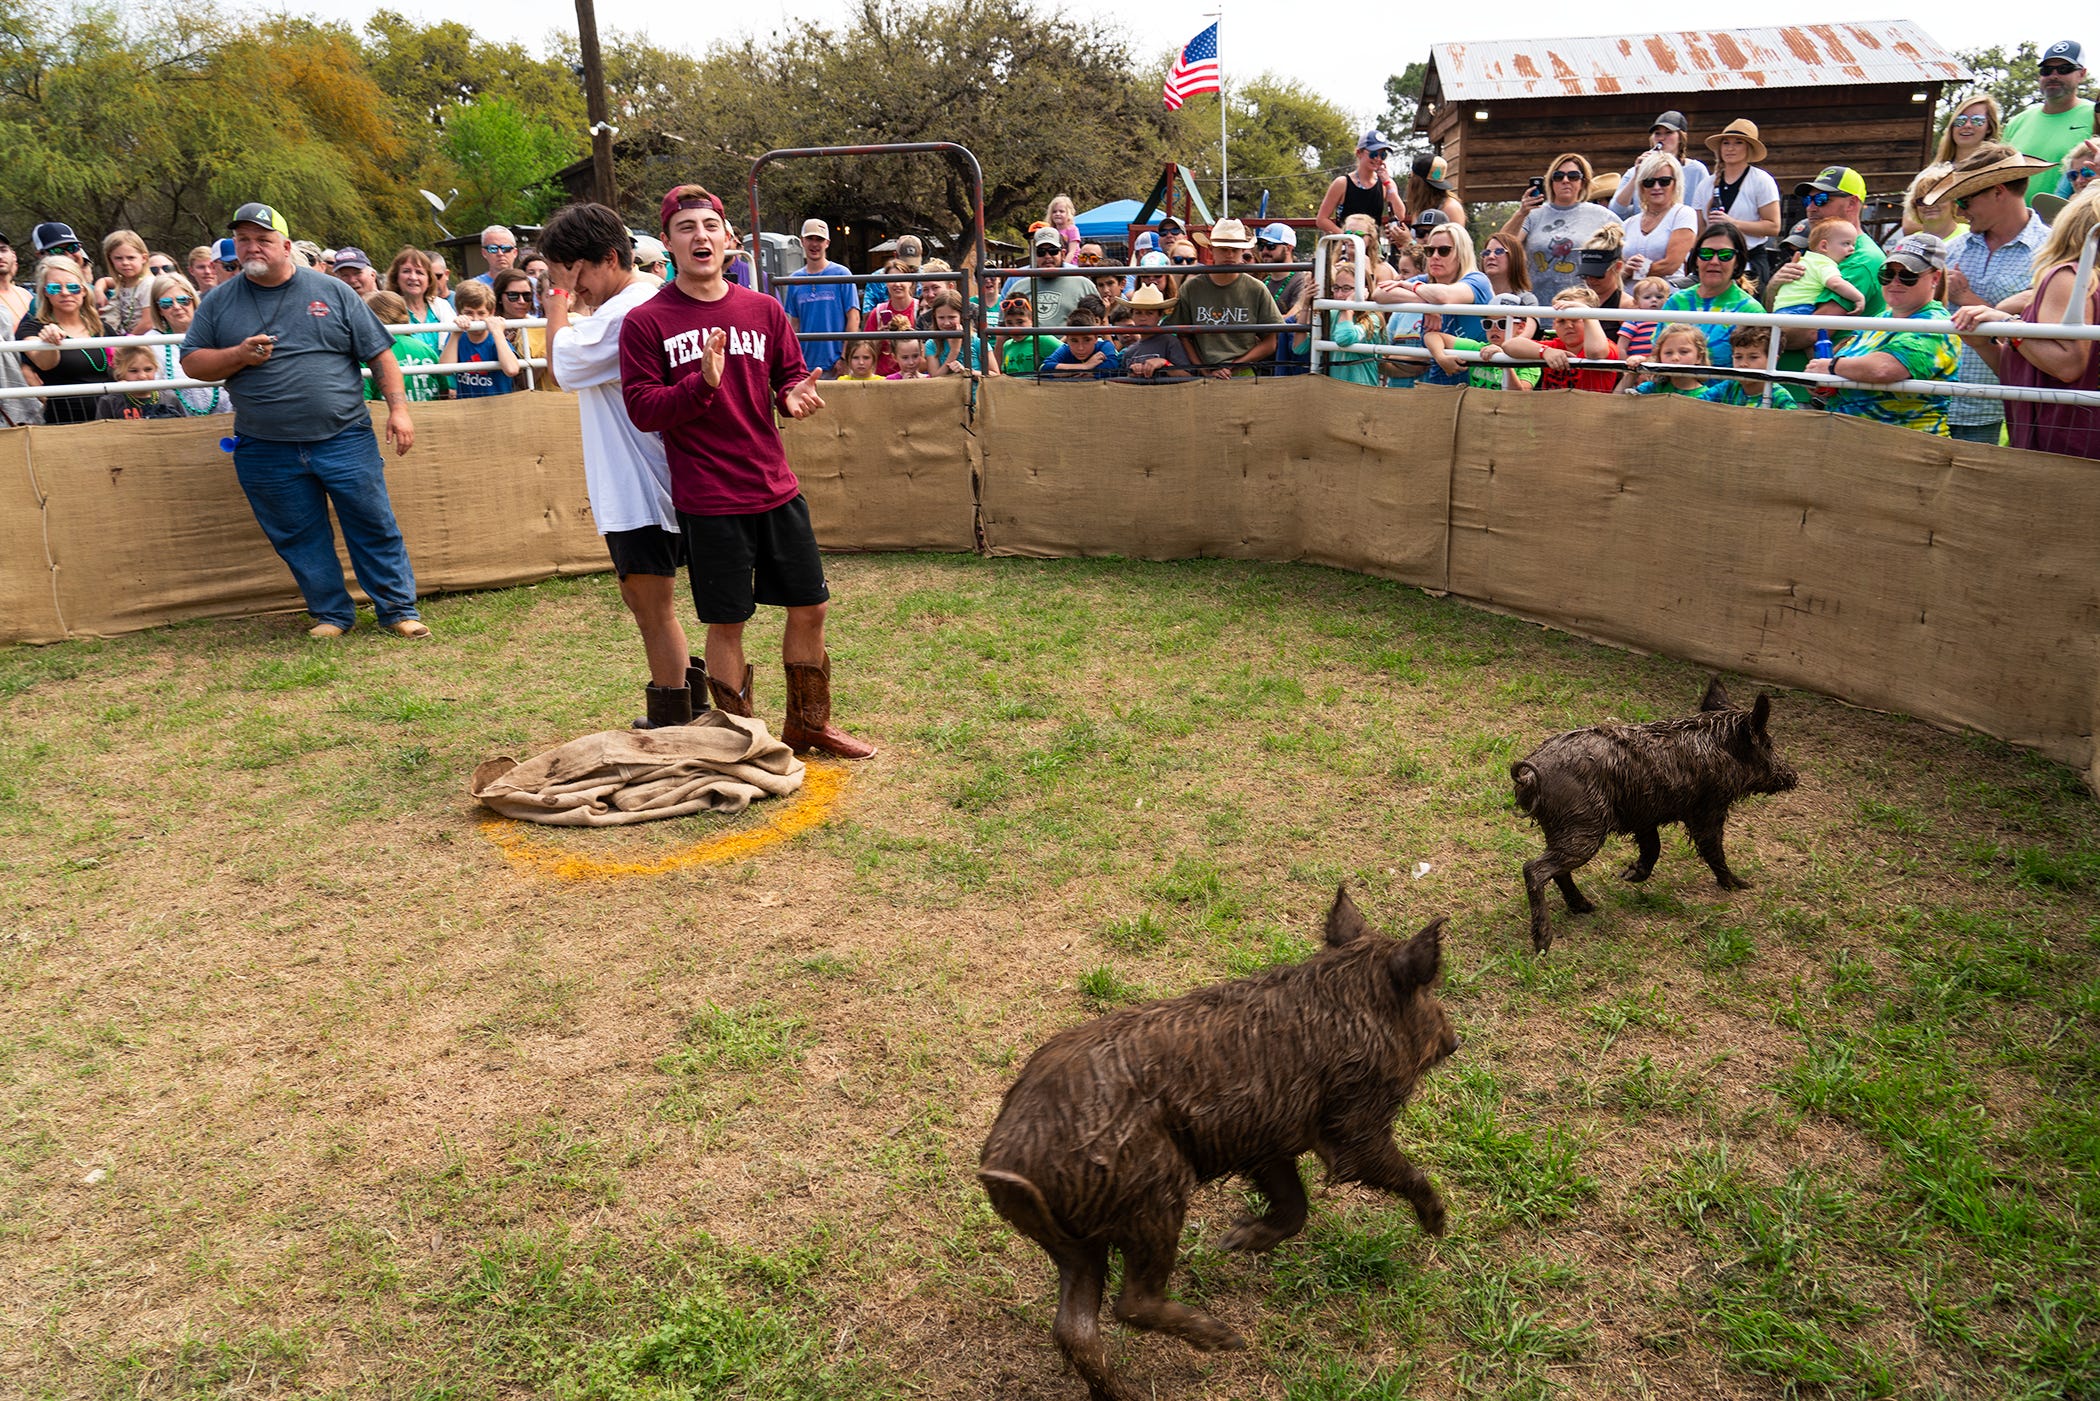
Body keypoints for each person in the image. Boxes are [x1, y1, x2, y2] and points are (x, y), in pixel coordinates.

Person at [617, 182, 873, 759]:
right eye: (686, 228)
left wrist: (792, 394)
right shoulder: (647, 321)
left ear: (728, 237)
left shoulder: (763, 309)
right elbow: (643, 408)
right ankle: (741, 742)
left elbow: (788, 374)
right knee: (728, 622)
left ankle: (808, 725)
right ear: (667, 243)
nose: (700, 237)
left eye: (710, 226)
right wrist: (701, 384)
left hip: (774, 484)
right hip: (709, 497)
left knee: (811, 605)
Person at [179, 201, 425, 639]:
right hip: (264, 445)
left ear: (286, 246)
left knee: (372, 523)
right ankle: (332, 615)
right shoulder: (218, 302)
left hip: (344, 436)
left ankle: (397, 610)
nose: (252, 247)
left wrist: (399, 410)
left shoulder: (333, 291)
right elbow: (193, 364)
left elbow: (380, 353)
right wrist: (238, 355)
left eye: (263, 239)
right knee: (297, 535)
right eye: (243, 240)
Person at [540, 200, 701, 728]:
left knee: (649, 600)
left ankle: (674, 715)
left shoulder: (629, 313)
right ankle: (688, 701)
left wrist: (556, 302)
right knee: (647, 599)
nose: (571, 287)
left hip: (642, 483)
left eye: (573, 273)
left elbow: (561, 366)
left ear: (610, 258)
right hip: (644, 476)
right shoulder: (641, 302)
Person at [1952, 185, 2100, 457]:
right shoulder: (2083, 277)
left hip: (2065, 441)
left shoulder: (2069, 276)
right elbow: (2030, 370)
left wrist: (2008, 325)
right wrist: (1984, 344)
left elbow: (2067, 367)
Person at [1923, 148, 2055, 443]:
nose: (1959, 212)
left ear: (1998, 191)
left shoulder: (2052, 254)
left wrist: (1968, 298)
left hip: (2003, 409)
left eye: (1964, 201)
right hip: (1934, 403)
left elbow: (2052, 343)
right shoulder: (1953, 249)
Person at [1805, 232, 1959, 436]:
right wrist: (1820, 378)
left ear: (1935, 278)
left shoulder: (1936, 324)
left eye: (1908, 276)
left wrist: (1831, 367)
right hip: (1852, 439)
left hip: (1907, 444)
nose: (1895, 282)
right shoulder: (1881, 318)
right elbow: (1847, 364)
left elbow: (1884, 369)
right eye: (1888, 274)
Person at [1372, 219, 1492, 387]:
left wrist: (1416, 290)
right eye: (1430, 250)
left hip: (1478, 383)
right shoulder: (1426, 281)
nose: (1435, 256)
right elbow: (1379, 293)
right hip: (1437, 384)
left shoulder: (1478, 280)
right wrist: (1427, 302)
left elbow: (1443, 296)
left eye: (1444, 250)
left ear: (1461, 253)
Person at [1498, 152, 1618, 302]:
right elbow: (1503, 245)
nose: (1565, 181)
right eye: (1558, 176)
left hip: (1582, 305)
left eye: (1573, 176)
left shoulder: (1602, 216)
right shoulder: (1533, 214)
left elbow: (1625, 252)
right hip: (1536, 305)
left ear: (1583, 182)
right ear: (1551, 182)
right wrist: (1521, 213)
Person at [1172, 218, 1281, 377]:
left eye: (1235, 250)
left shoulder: (1256, 289)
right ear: (1211, 250)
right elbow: (1183, 335)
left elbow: (1270, 343)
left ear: (1242, 251)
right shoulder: (1191, 288)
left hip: (1241, 372)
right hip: (1206, 373)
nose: (1229, 254)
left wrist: (1233, 366)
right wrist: (1204, 370)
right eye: (1223, 249)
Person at [19, 254, 108, 425]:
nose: (65, 293)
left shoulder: (102, 327)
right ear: (45, 292)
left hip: (112, 420)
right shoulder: (32, 328)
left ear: (83, 290)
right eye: (55, 288)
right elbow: (44, 364)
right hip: (65, 423)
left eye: (73, 287)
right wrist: (49, 342)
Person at [2003, 41, 2095, 205]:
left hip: (2073, 217)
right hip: (2014, 219)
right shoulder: (2017, 122)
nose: (2054, 75)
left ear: (2082, 74)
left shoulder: (2095, 116)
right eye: (2046, 70)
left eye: (2064, 69)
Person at [1689, 119, 1782, 281]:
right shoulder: (1705, 185)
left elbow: (1773, 227)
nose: (1730, 148)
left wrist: (1733, 223)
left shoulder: (1761, 180)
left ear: (1749, 148)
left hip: (1749, 261)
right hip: (1711, 262)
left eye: (1738, 143)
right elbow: (1700, 230)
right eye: (1726, 143)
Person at [1662, 223, 1761, 368]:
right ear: (1696, 259)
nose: (1714, 261)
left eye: (1725, 255)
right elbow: (1656, 355)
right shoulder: (1676, 302)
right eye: (1706, 253)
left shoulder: (1750, 311)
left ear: (1737, 262)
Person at [141, 272, 229, 417]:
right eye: (166, 303)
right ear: (159, 310)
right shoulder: (150, 341)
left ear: (193, 301)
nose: (176, 307)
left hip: (228, 417)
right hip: (177, 422)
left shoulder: (218, 331)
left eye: (183, 300)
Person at [779, 218, 859, 376]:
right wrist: (793, 359)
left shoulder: (842, 274)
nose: (814, 244)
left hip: (836, 365)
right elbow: (795, 324)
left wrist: (845, 357)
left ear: (827, 243)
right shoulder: (795, 280)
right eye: (810, 238)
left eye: (819, 239)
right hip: (805, 366)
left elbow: (854, 318)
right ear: (802, 241)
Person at [1504, 286, 1622, 392]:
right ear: (1554, 325)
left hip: (1591, 409)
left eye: (1575, 318)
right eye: (1561, 321)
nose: (1568, 325)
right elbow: (1509, 345)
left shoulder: (1606, 346)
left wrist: (1587, 313)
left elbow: (1595, 352)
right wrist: (1545, 352)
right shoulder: (1553, 347)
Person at [1425, 293, 1542, 391]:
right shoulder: (1478, 348)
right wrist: (1440, 358)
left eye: (1502, 323)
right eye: (1488, 324)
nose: (1494, 329)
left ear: (1521, 327)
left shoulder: (1529, 359)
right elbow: (1432, 336)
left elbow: (1519, 395)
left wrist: (1504, 363)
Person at [1608, 110, 1710, 221]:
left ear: (1680, 138)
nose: (1661, 138)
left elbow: (1706, 208)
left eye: (1668, 133)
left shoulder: (1697, 170)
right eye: (1657, 133)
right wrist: (1637, 176)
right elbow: (1615, 211)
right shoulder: (1634, 172)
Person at [1317, 130, 1407, 244]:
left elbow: (1400, 215)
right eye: (1373, 154)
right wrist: (1348, 238)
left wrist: (1388, 184)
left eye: (1383, 155)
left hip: (1373, 247)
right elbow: (1322, 219)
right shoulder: (1342, 183)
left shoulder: (1386, 184)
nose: (1378, 159)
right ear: (1359, 153)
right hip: (1346, 246)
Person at [1617, 151, 1697, 278]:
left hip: (1666, 289)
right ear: (1641, 186)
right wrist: (1625, 270)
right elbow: (1617, 268)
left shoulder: (1683, 214)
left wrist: (1635, 270)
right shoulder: (1629, 223)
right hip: (1629, 290)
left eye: (1664, 181)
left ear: (1675, 183)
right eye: (1649, 182)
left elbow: (1671, 265)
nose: (1656, 187)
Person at [1769, 219, 1870, 318]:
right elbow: (1836, 284)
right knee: (1819, 328)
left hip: (1780, 309)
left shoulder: (1807, 260)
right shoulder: (1824, 263)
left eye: (1853, 245)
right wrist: (1858, 298)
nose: (1852, 249)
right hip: (1800, 309)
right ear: (1824, 246)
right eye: (1846, 244)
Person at [439, 281, 520, 397]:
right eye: (469, 313)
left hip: (499, 405)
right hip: (467, 406)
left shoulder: (496, 339)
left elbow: (512, 369)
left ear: (491, 313)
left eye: (481, 313)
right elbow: (445, 370)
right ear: (459, 312)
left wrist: (498, 333)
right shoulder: (457, 336)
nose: (476, 319)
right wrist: (456, 333)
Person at [1001, 227, 1095, 328]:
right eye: (1041, 252)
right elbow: (1003, 326)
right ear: (1033, 256)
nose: (1047, 256)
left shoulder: (1083, 284)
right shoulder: (1018, 286)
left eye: (1053, 251)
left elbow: (1099, 322)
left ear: (1063, 254)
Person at [361, 290, 439, 404]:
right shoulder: (425, 349)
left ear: (369, 319)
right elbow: (444, 391)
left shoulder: (367, 354)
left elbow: (365, 401)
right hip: (430, 412)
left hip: (387, 413)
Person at [1694, 325, 1799, 409]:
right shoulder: (1728, 387)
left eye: (1753, 357)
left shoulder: (1780, 397)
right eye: (1738, 357)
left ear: (1773, 360)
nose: (1743, 364)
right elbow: (1696, 405)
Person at [384, 247, 452, 360]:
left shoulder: (442, 306)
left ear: (429, 279)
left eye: (419, 272)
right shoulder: (387, 309)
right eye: (406, 271)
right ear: (396, 277)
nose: (413, 277)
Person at [1117, 286, 1196, 381]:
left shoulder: (1170, 342)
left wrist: (1165, 364)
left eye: (1149, 313)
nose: (1143, 318)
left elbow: (1188, 377)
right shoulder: (1129, 352)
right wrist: (1132, 375)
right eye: (1138, 313)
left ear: (1160, 315)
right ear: (1132, 315)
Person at [95, 344, 183, 420]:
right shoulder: (111, 401)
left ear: (156, 368)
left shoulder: (170, 398)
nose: (142, 376)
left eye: (148, 369)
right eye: (133, 371)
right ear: (120, 372)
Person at [1040, 297, 1121, 379]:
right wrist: (1085, 366)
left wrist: (1088, 374)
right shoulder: (1065, 349)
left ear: (1096, 337)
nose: (1080, 348)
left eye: (1087, 340)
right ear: (1067, 339)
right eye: (1074, 341)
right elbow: (1046, 368)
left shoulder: (1104, 346)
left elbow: (1112, 366)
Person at [491, 267, 548, 385]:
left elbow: (523, 383)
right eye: (513, 295)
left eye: (527, 296)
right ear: (499, 297)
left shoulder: (538, 326)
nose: (522, 301)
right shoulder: (486, 326)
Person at [1628, 323, 1711, 396]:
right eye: (1668, 353)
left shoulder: (1707, 396)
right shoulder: (1651, 389)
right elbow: (1621, 403)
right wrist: (1633, 371)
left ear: (1698, 357)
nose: (1675, 358)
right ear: (1660, 357)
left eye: (1684, 352)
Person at [96, 229, 153, 334]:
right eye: (118, 258)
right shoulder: (123, 281)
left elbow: (148, 322)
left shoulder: (148, 284)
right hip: (126, 335)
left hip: (146, 337)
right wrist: (99, 291)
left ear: (144, 258)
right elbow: (104, 281)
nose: (125, 263)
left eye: (131, 258)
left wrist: (127, 340)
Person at [997, 290, 1060, 376]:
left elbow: (1070, 354)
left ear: (1032, 319)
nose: (1015, 328)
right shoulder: (1007, 345)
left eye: (1020, 322)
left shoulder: (1043, 339)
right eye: (1009, 323)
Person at [1934, 92, 2004, 167]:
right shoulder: (1934, 171)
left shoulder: (2001, 168)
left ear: (1989, 128)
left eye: (1977, 120)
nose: (1967, 125)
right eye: (1960, 120)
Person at [1616, 276, 1672, 362]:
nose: (1654, 300)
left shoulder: (1669, 321)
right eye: (1647, 297)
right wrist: (1624, 364)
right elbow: (1622, 347)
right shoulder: (1634, 321)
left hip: (1660, 365)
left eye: (1659, 297)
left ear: (1667, 300)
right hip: (1636, 364)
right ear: (1636, 302)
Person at [1902, 165, 1964, 240]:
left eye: (1937, 199)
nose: (1929, 205)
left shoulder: (1970, 235)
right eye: (1921, 201)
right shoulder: (1909, 242)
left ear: (1953, 202)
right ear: (1914, 207)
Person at [1406, 153, 1466, 229]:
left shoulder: (1450, 208)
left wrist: (1408, 237)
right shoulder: (1421, 206)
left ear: (1417, 182)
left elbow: (1456, 236)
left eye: (1410, 177)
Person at [1480, 231, 1531, 298]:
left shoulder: (1525, 300)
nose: (1490, 256)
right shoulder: (1473, 296)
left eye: (1498, 251)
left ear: (1514, 258)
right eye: (1487, 252)